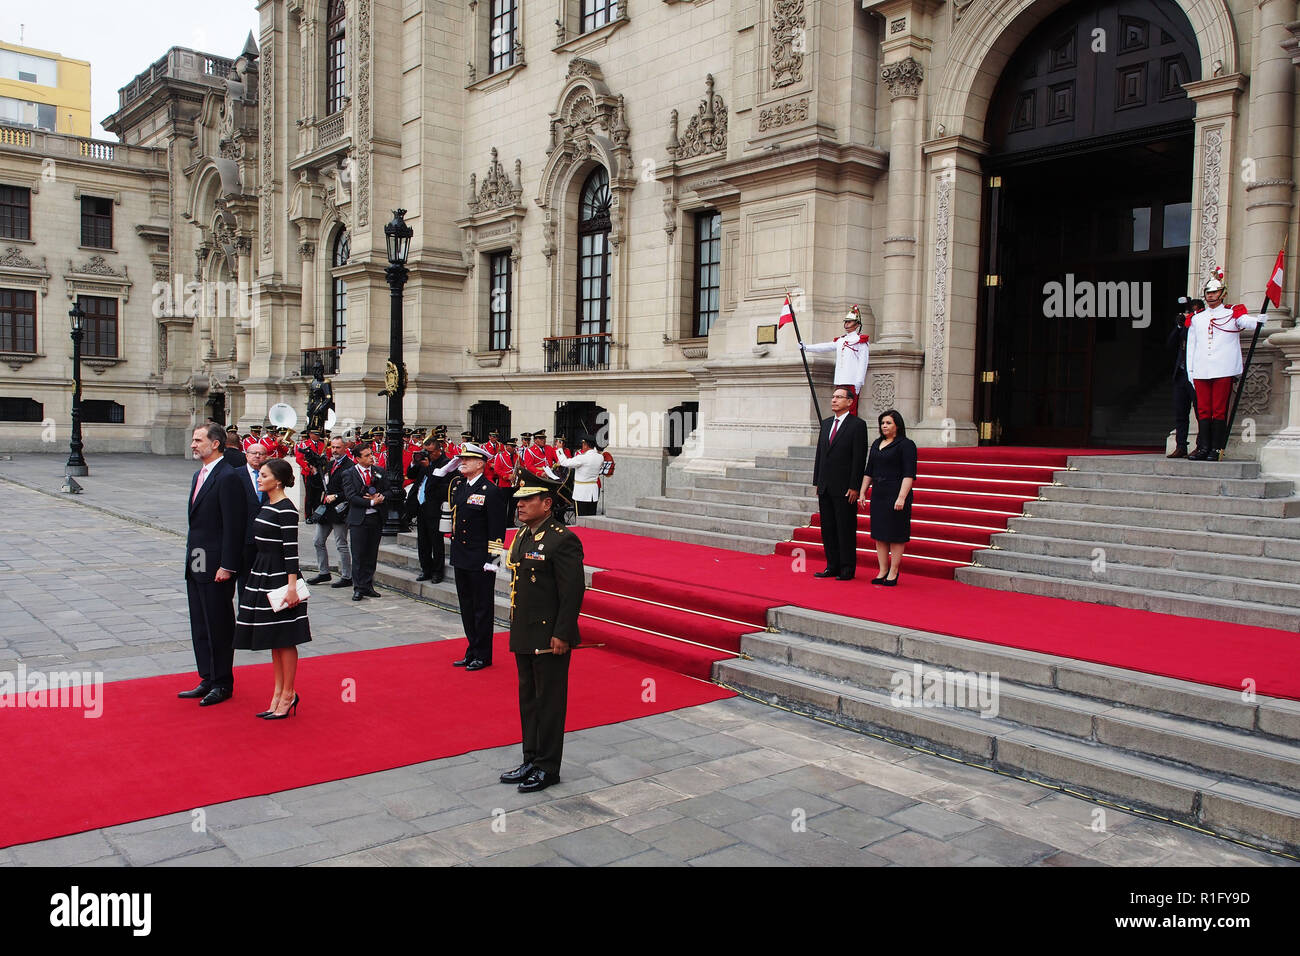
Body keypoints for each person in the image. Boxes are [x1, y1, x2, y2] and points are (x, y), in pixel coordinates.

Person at [498, 475, 585, 793]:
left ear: (547, 504)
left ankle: (548, 766)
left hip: (550, 636)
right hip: (524, 632)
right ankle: (530, 758)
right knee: (528, 699)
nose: (519, 503)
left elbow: (572, 591)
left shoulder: (563, 540)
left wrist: (562, 633)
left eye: (527, 499)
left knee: (548, 702)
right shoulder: (523, 533)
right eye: (519, 499)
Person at [180, 422, 252, 707]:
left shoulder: (228, 476)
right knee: (200, 622)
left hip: (218, 566)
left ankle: (222, 682)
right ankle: (207, 677)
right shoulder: (199, 474)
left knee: (219, 624)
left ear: (216, 444)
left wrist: (228, 566)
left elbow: (235, 526)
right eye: (193, 440)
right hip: (196, 560)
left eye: (198, 440)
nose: (193, 444)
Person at [235, 457, 311, 720]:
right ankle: (278, 693)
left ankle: (288, 694)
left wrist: (292, 587)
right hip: (263, 572)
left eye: (264, 475)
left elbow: (291, 552)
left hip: (281, 576)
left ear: (277, 480)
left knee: (285, 638)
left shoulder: (287, 510)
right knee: (273, 640)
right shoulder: (268, 503)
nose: (259, 477)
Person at [1186, 267, 1264, 461]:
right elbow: (1192, 347)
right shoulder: (1197, 318)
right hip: (1202, 369)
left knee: (1219, 410)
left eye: (1214, 292)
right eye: (1208, 293)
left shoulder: (1232, 313)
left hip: (1223, 368)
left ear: (1222, 293)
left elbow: (1245, 322)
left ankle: (1218, 450)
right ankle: (1204, 448)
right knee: (1203, 410)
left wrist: (1259, 320)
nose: (1211, 296)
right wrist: (1191, 371)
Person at [448, 443, 507, 670]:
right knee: (467, 606)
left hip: (481, 560)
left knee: (482, 608)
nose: (462, 462)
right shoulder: (460, 487)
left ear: (480, 464)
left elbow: (496, 531)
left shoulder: (490, 491)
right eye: (461, 459)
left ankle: (483, 654)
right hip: (462, 557)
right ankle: (472, 649)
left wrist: (493, 562)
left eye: (467, 459)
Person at [812, 386, 868, 581]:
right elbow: (821, 454)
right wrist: (818, 481)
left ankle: (846, 568)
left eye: (839, 397)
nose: (834, 400)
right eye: (833, 397)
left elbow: (859, 458)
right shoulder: (826, 424)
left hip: (846, 488)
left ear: (850, 402)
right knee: (828, 528)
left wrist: (855, 485)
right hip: (826, 486)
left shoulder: (857, 425)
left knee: (845, 527)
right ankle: (832, 565)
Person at [859, 409, 917, 586]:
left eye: (888, 423)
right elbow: (869, 470)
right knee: (880, 534)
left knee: (896, 534)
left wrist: (901, 497)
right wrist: (863, 491)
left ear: (897, 425)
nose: (884, 426)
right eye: (882, 423)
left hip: (896, 493)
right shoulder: (877, 443)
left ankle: (894, 570)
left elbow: (909, 474)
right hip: (879, 494)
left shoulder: (906, 445)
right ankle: (882, 569)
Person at [800, 305, 871, 416]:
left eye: (850, 322)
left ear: (857, 324)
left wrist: (859, 381)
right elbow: (826, 346)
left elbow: (863, 362)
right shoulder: (841, 340)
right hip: (840, 379)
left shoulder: (860, 340)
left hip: (852, 380)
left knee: (851, 409)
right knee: (839, 408)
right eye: (846, 322)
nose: (847, 324)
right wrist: (807, 347)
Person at [342, 443, 390, 601]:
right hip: (359, 519)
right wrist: (370, 503)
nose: (371, 457)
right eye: (367, 455)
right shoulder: (349, 473)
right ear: (357, 459)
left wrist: (382, 497)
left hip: (376, 518)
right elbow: (351, 496)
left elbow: (389, 490)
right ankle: (358, 587)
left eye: (371, 454)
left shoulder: (379, 471)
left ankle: (368, 585)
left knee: (371, 554)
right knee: (358, 554)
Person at [308, 436, 355, 589]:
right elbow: (320, 485)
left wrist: (336, 496)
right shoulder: (329, 464)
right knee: (318, 541)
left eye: (338, 447)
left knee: (341, 543)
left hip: (340, 509)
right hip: (327, 509)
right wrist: (315, 472)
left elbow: (352, 490)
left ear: (345, 448)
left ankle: (347, 576)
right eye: (333, 447)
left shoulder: (350, 465)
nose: (334, 450)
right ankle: (324, 572)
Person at [407, 435, 453, 583]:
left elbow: (444, 488)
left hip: (435, 507)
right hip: (421, 506)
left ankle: (437, 572)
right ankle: (425, 569)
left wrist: (429, 468)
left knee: (436, 541)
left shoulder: (447, 464)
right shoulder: (423, 461)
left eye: (430, 452)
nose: (428, 454)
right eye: (425, 451)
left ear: (438, 450)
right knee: (423, 541)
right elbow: (411, 475)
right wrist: (414, 463)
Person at [1167, 300, 1200, 458]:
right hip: (1180, 374)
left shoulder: (1201, 325)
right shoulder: (1184, 326)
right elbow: (1171, 344)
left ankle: (1201, 445)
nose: (1190, 314)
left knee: (1201, 413)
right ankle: (1181, 446)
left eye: (1193, 311)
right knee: (1180, 413)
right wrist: (1180, 325)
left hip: (1197, 374)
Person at [555, 435, 604, 518]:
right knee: (591, 518)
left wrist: (559, 449)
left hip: (582, 493)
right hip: (593, 492)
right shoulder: (600, 457)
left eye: (583, 444)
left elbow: (564, 463)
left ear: (585, 445)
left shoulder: (582, 458)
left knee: (580, 519)